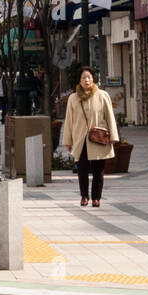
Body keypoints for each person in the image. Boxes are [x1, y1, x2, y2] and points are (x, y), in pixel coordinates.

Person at [61, 67, 119, 207]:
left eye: (89, 77)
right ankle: (84, 196)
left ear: (93, 79)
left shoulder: (102, 95)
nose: (86, 80)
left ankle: (96, 198)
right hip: (80, 140)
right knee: (82, 169)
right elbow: (69, 121)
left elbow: (110, 117)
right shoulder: (73, 99)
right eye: (83, 78)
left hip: (98, 138)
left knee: (99, 170)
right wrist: (68, 141)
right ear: (79, 81)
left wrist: (113, 136)